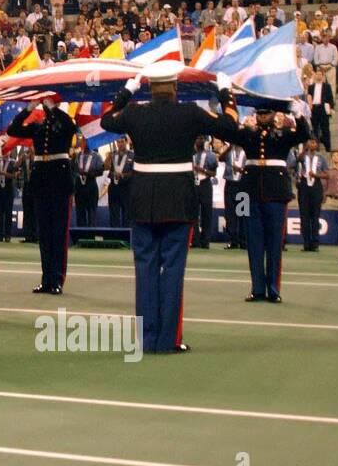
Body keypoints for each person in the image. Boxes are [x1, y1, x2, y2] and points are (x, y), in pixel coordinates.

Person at [100, 62, 240, 353]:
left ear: (150, 87)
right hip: (178, 199)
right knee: (173, 269)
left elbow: (107, 121)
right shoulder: (189, 112)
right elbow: (228, 126)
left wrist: (127, 91)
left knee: (145, 269)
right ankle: (167, 341)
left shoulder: (136, 112)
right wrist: (226, 92)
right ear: (175, 87)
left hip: (142, 199)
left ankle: (147, 339)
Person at [229, 103, 311, 302]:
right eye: (260, 113)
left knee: (275, 244)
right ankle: (257, 289)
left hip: (276, 193)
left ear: (273, 115)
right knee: (253, 243)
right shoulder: (247, 134)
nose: (262, 117)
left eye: (266, 114)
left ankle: (273, 290)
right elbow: (229, 132)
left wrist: (297, 114)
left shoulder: (282, 134)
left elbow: (304, 134)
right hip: (248, 193)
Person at [7, 98, 78, 293]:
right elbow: (13, 130)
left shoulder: (64, 124)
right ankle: (46, 279)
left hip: (60, 180)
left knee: (58, 233)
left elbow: (70, 126)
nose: (46, 109)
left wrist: (53, 106)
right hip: (41, 181)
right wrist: (29, 108)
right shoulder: (37, 127)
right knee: (45, 234)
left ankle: (57, 280)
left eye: (49, 105)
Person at [294, 137, 327, 252]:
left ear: (317, 145)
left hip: (316, 186)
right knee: (304, 216)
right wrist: (303, 151)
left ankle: (315, 243)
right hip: (303, 186)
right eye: (309, 142)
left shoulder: (321, 157)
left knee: (315, 216)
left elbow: (326, 174)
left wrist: (316, 175)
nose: (311, 144)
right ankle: (306, 243)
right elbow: (295, 164)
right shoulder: (302, 156)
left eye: (313, 142)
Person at [191, 136, 218, 248]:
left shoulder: (211, 155)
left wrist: (202, 170)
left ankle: (205, 241)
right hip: (194, 184)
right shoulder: (191, 155)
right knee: (193, 213)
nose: (199, 141)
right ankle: (195, 239)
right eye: (197, 139)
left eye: (201, 139)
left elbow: (214, 173)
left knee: (207, 213)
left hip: (205, 184)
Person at [220, 140, 247, 249]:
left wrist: (240, 170)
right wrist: (229, 147)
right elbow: (220, 158)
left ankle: (243, 240)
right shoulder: (230, 151)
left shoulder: (247, 151)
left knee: (243, 214)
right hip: (230, 184)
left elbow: (251, 168)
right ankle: (233, 240)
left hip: (243, 185)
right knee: (230, 213)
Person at [0, 141, 18, 241]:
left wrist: (3, 173)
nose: (5, 152)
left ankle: (7, 236)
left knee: (8, 213)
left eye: (7, 150)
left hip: (8, 189)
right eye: (4, 150)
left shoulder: (13, 162)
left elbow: (14, 176)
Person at [72, 140, 103, 228]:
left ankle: (91, 237)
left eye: (87, 141)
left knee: (92, 214)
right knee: (80, 213)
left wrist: (88, 173)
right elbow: (73, 170)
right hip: (79, 187)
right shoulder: (77, 156)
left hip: (91, 185)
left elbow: (100, 171)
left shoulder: (97, 156)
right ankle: (80, 238)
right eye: (83, 141)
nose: (85, 143)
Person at [106, 138, 133, 228]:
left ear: (126, 142)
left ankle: (126, 238)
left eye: (122, 142)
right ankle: (114, 238)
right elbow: (105, 168)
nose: (120, 144)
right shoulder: (113, 155)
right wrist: (108, 158)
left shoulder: (132, 155)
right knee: (114, 215)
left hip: (126, 188)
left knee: (127, 215)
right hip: (114, 187)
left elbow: (135, 173)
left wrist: (123, 175)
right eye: (118, 142)